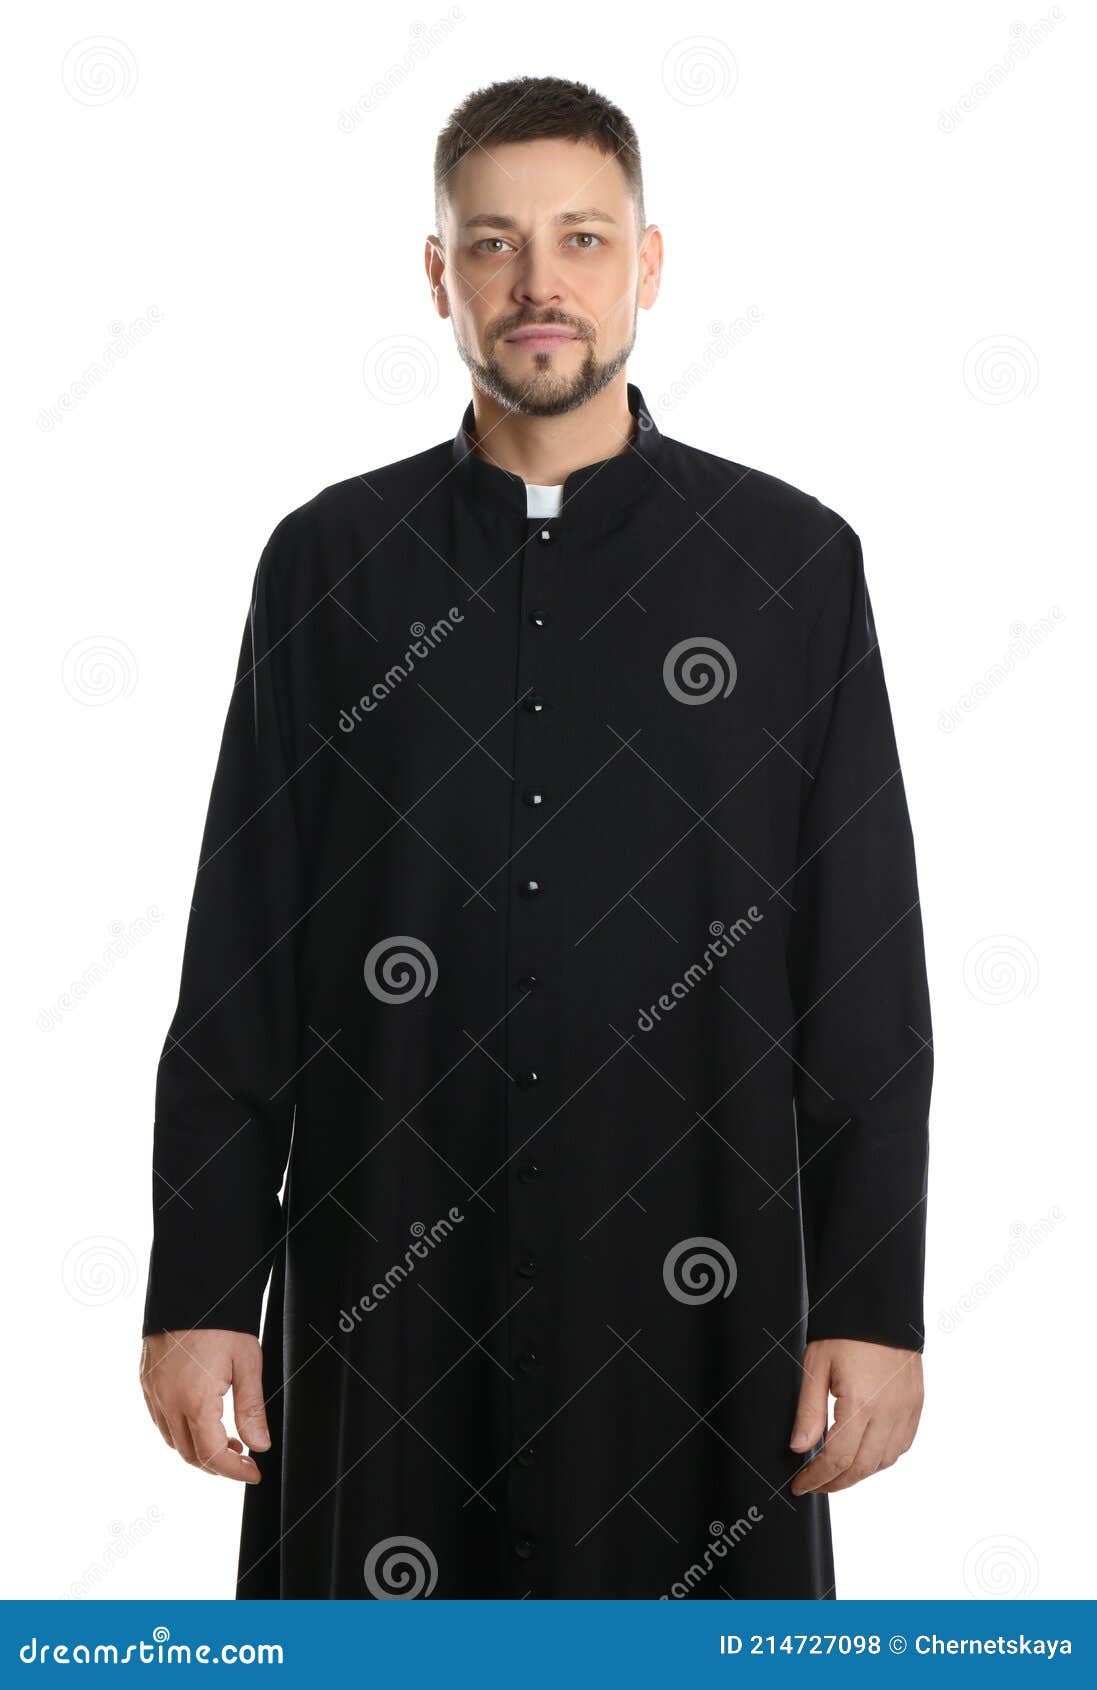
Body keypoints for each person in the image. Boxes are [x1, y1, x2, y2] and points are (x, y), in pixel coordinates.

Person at [140, 74, 933, 1600]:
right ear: (439, 275)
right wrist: (200, 1287)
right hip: (384, 1282)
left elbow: (862, 968)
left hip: (699, 1288)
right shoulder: (330, 564)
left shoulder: (787, 565)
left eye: (579, 237)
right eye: (493, 244)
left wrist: (875, 1299)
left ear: (645, 261)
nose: (537, 283)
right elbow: (240, 951)